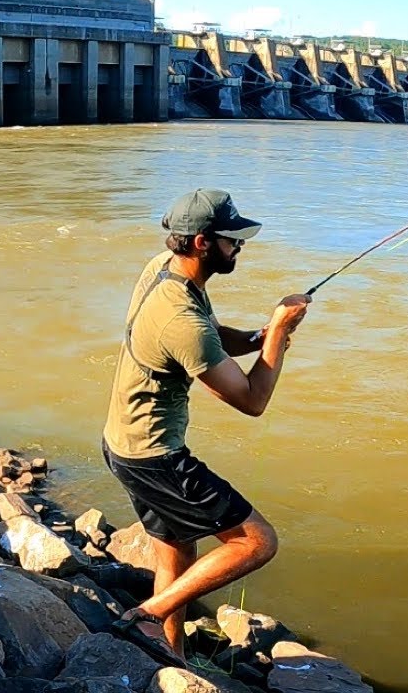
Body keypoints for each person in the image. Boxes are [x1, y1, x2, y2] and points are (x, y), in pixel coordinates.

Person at [100, 188, 310, 667]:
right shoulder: (180, 318)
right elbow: (252, 400)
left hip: (124, 442)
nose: (240, 247)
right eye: (232, 240)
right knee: (257, 541)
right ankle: (145, 617)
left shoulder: (163, 270)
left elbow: (210, 337)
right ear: (200, 243)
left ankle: (168, 652)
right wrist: (277, 335)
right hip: (154, 457)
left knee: (176, 548)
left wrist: (259, 337)